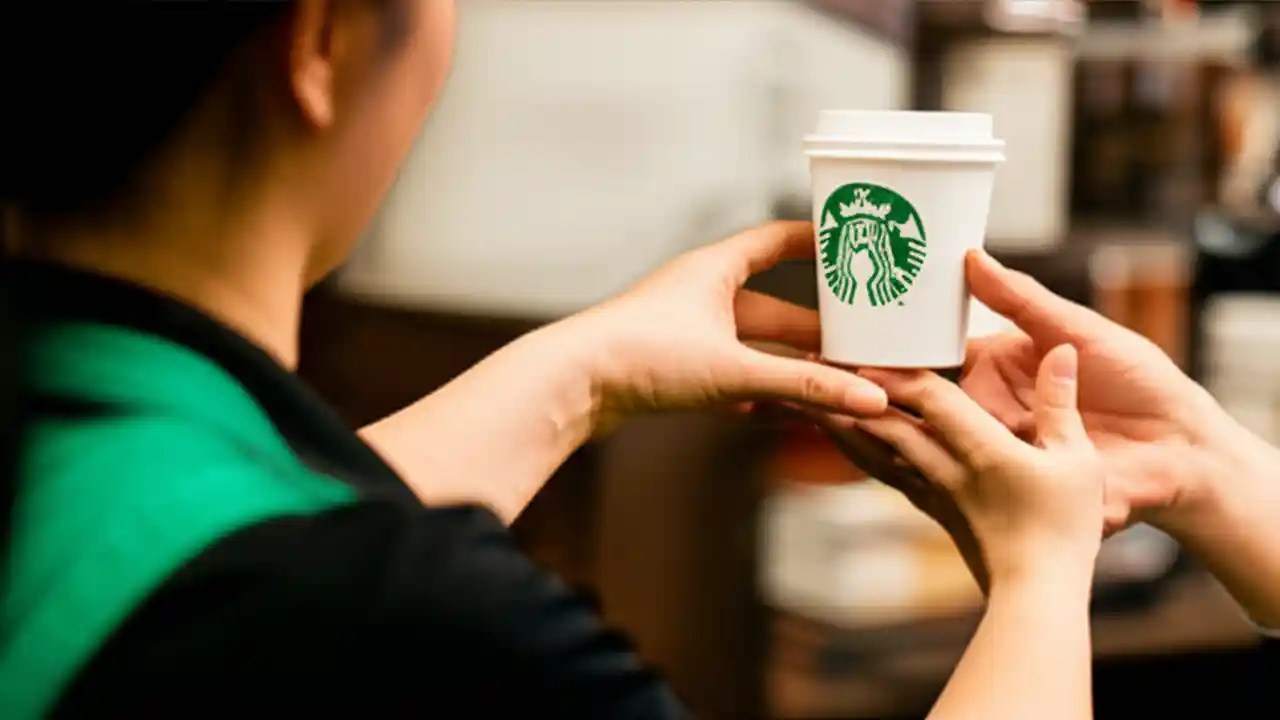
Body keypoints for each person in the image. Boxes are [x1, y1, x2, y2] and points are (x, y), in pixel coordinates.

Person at [0, 2, 1107, 718]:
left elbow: (211, 532)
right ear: (319, 42)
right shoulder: (432, 638)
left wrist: (588, 369)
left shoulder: (84, 441)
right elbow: (304, 577)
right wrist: (1041, 573)